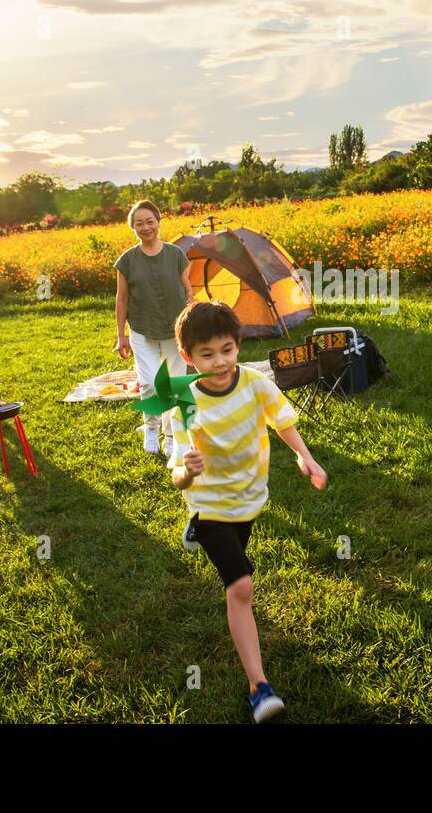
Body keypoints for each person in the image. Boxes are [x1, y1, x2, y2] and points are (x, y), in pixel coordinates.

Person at [167, 301, 327, 722]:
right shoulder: (184, 404)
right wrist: (186, 469)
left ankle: (197, 531)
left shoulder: (256, 384)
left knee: (237, 562)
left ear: (237, 346)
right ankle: (259, 687)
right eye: (207, 354)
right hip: (209, 503)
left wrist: (304, 457)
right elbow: (177, 476)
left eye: (227, 349)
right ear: (187, 357)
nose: (219, 362)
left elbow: (282, 420)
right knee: (240, 588)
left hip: (249, 500)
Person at [114, 200, 193, 457]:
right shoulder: (126, 261)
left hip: (175, 331)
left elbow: (187, 288)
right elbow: (121, 299)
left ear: (159, 222)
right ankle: (151, 426)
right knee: (148, 383)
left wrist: (191, 309)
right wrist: (120, 335)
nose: (146, 227)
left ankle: (170, 434)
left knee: (173, 384)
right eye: (139, 223)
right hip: (142, 329)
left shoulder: (176, 254)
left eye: (150, 221)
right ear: (132, 227)